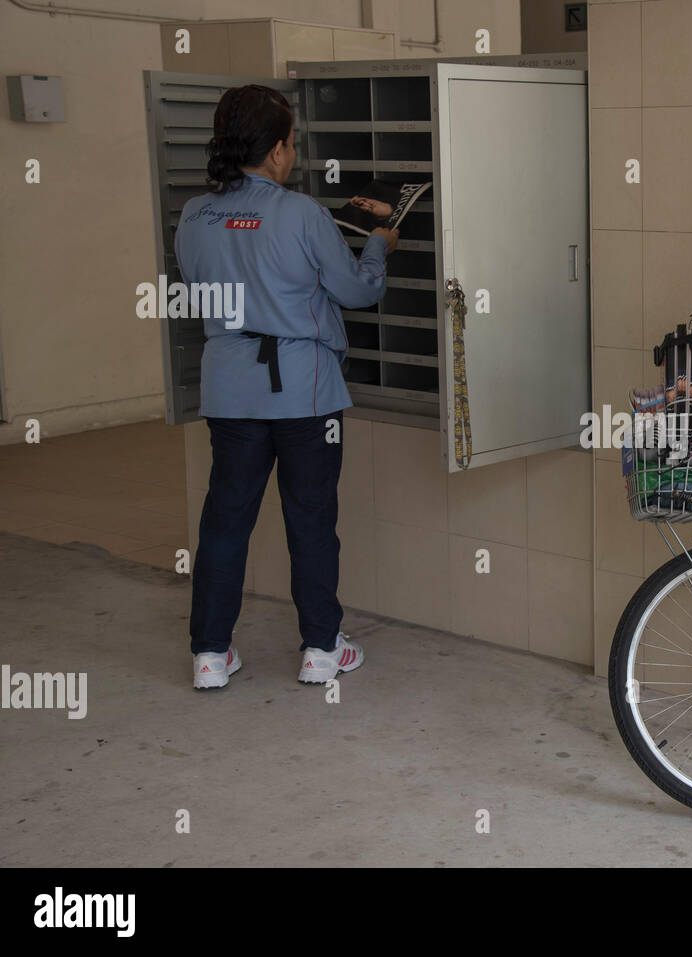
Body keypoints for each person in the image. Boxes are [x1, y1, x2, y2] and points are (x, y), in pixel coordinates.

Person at [175, 84, 398, 690]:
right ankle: (321, 649)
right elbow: (356, 291)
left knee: (225, 520)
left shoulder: (195, 214)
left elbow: (201, 282)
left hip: (229, 389)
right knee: (310, 520)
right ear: (276, 150)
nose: (292, 153)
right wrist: (379, 244)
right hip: (306, 393)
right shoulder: (302, 214)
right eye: (292, 142)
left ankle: (210, 655)